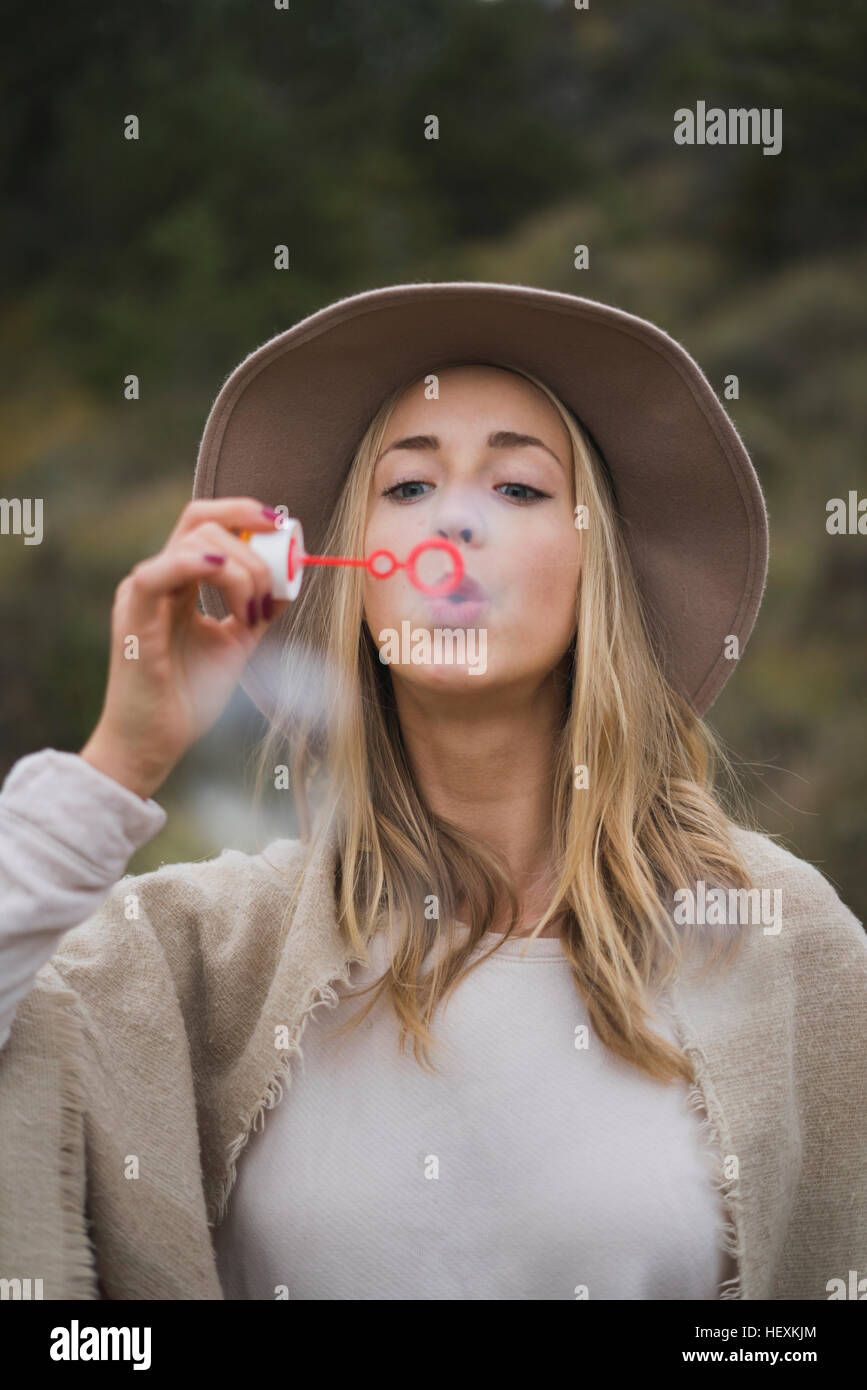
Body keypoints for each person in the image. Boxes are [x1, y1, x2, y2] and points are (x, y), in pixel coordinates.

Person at [0, 282, 864, 1302]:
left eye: (518, 488)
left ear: (600, 568)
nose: (453, 521)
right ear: (351, 576)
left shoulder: (776, 939)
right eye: (408, 488)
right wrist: (120, 761)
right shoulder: (200, 952)